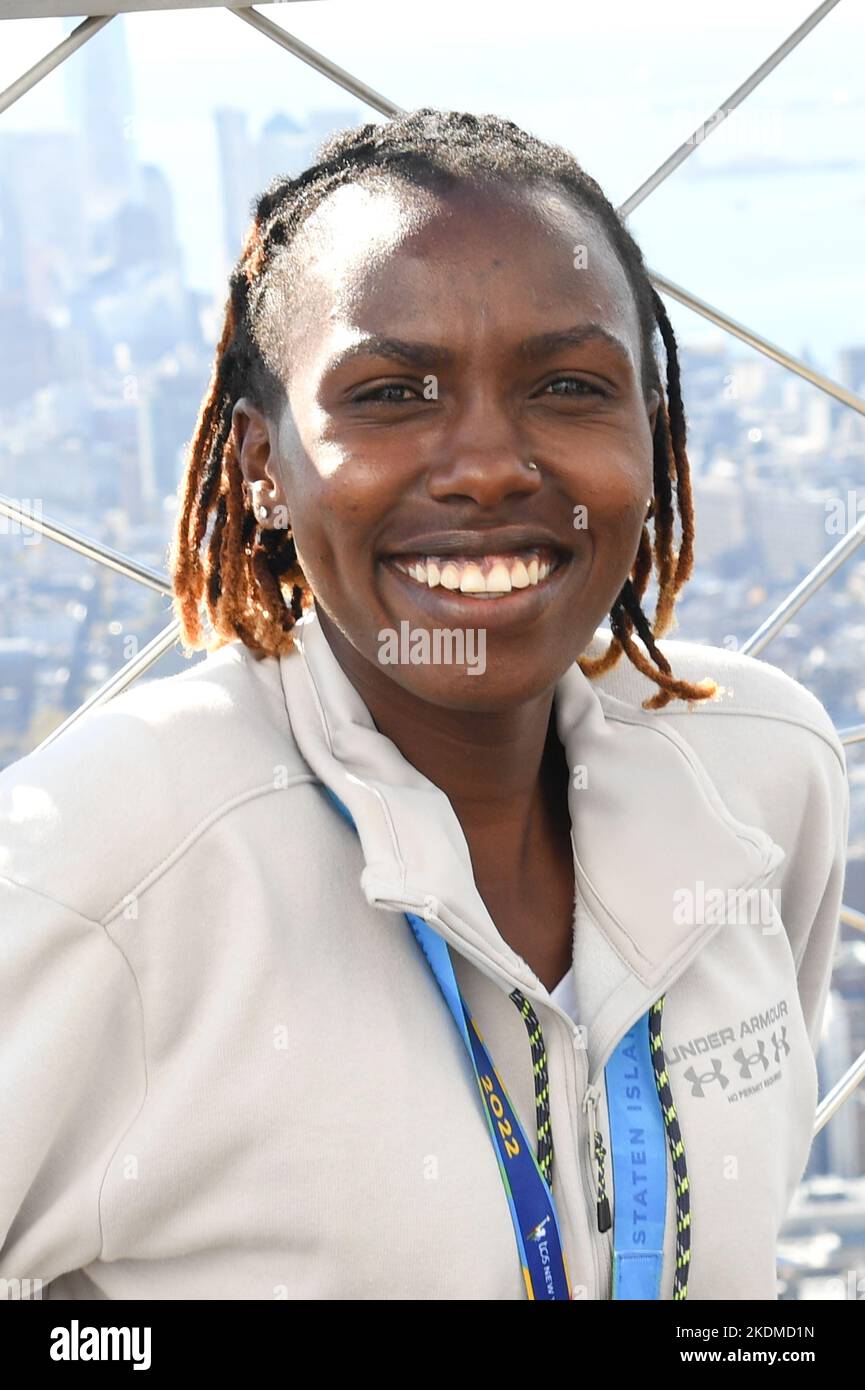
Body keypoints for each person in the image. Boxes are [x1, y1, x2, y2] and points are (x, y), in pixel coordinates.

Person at [0, 109, 849, 1302]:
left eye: (567, 384)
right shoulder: (91, 868)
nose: (490, 465)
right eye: (393, 393)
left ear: (653, 440)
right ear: (258, 462)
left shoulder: (766, 770)